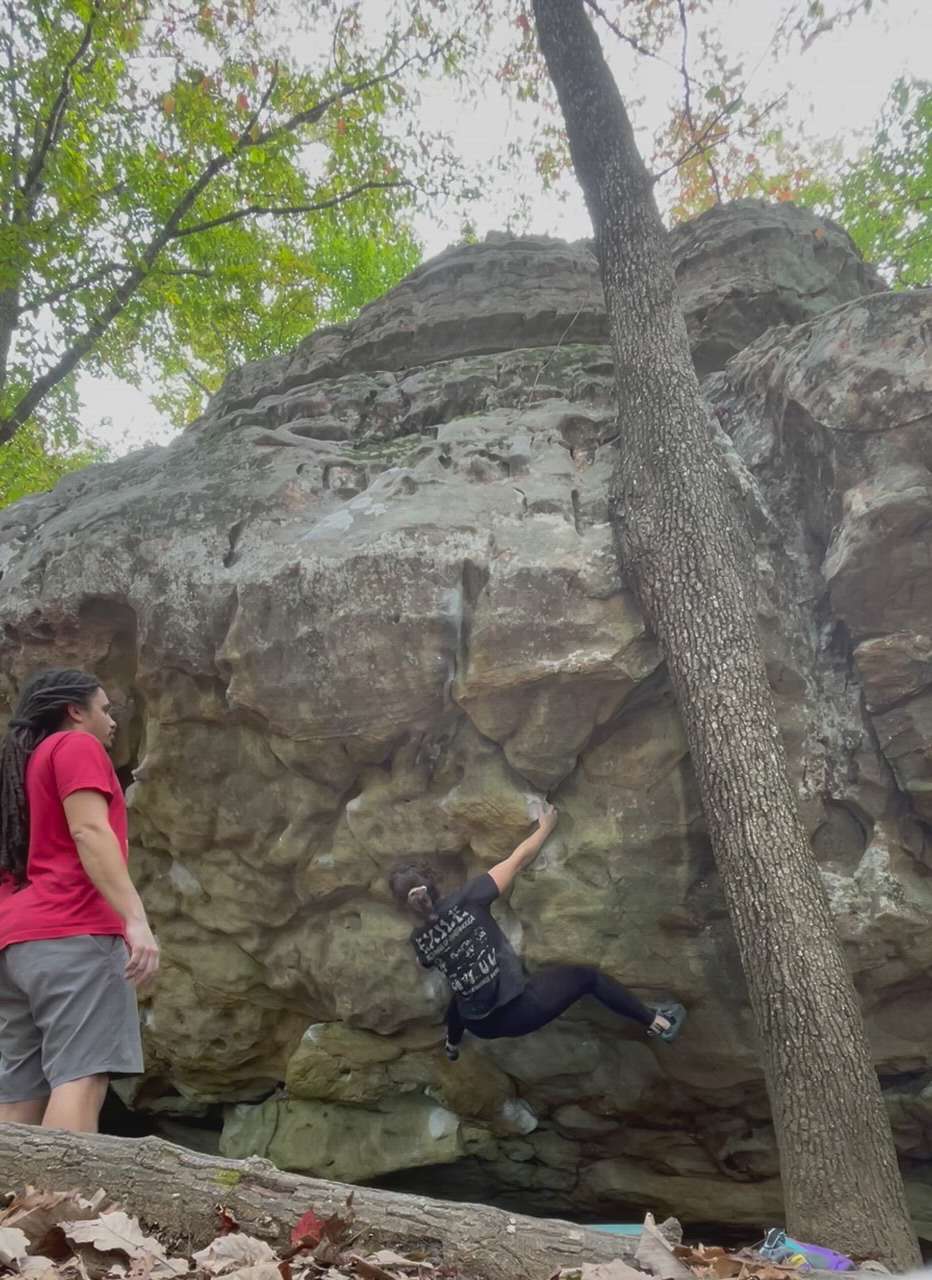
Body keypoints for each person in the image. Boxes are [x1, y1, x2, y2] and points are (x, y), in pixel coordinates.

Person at [390, 803, 685, 1060]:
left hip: (480, 1024)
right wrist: (546, 827)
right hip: (519, 1013)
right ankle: (660, 1023)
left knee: (460, 997)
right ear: (432, 884)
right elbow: (517, 860)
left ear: (404, 906)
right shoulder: (470, 898)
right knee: (588, 979)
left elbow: (425, 962)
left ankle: (452, 1044)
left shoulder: (419, 941)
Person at [0, 669, 159, 1132]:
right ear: (74, 710)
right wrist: (135, 920)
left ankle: (14, 1206)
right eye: (105, 709)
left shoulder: (18, 766)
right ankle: (60, 1206)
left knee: (16, 1099)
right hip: (73, 933)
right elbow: (89, 829)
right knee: (80, 1079)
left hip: (14, 944)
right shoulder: (75, 746)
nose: (111, 722)